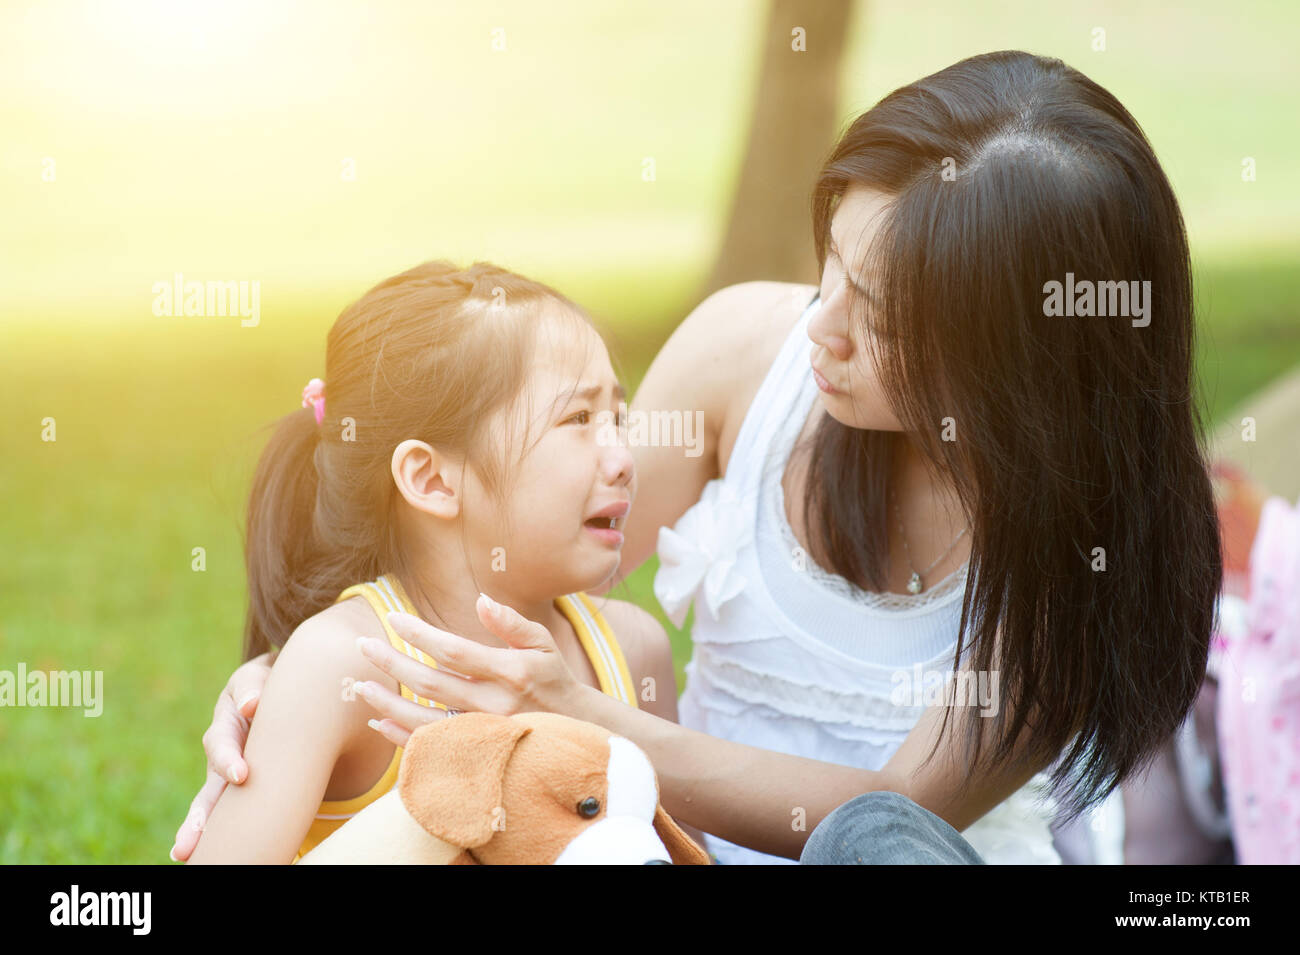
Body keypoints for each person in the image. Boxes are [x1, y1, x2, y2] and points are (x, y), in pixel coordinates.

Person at [175, 51, 1221, 865]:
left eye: (886, 321)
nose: (823, 329)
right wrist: (310, 668)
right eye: (833, 269)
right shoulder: (742, 354)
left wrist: (590, 722)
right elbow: (504, 530)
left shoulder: (1084, 546)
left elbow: (883, 825)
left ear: (1021, 368)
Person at [184, 261, 682, 863]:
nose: (623, 456)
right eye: (578, 419)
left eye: (618, 419)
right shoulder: (345, 667)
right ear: (432, 479)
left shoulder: (632, 651)